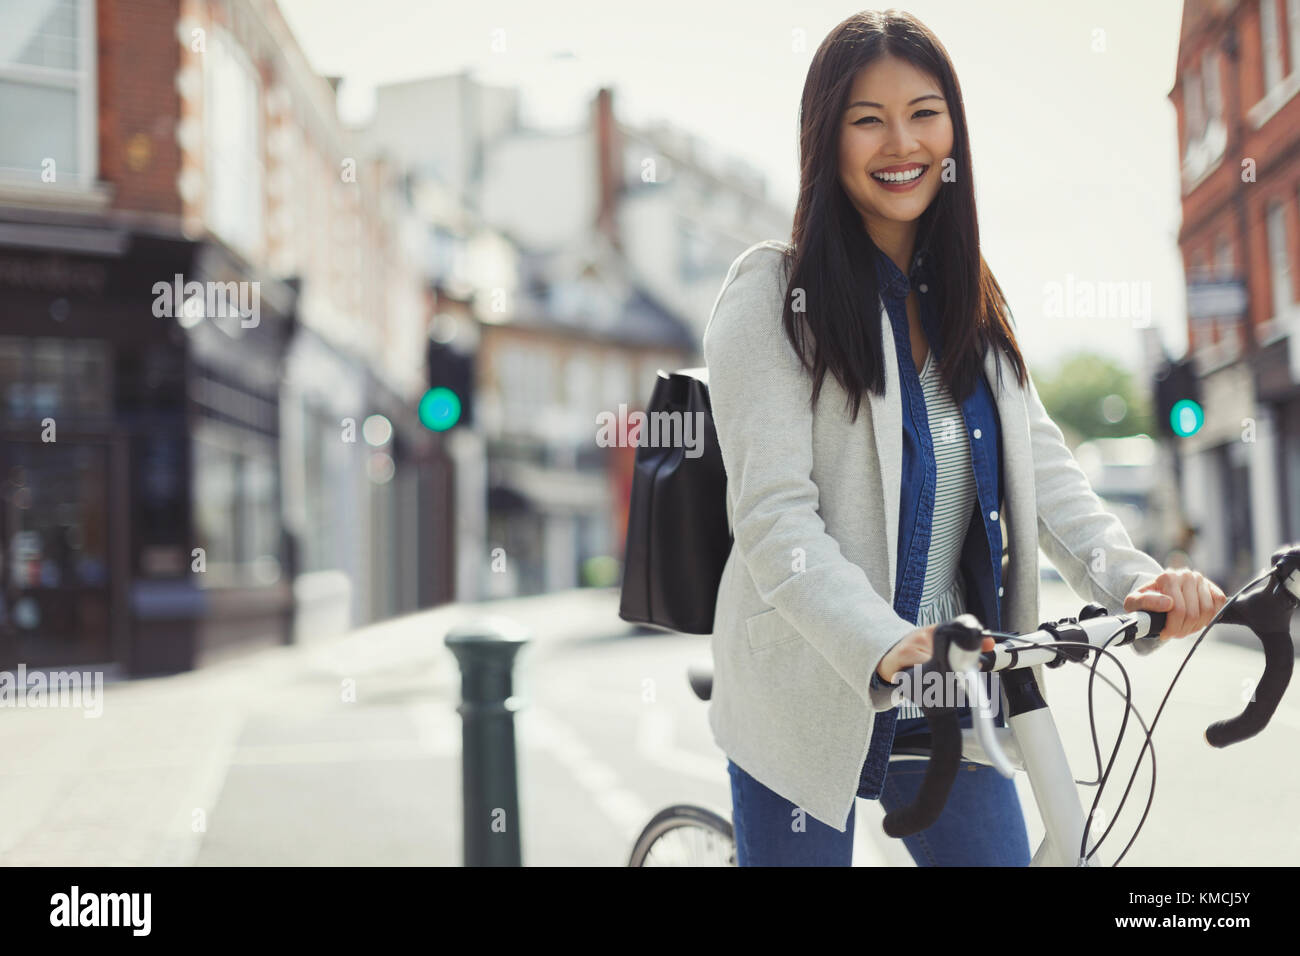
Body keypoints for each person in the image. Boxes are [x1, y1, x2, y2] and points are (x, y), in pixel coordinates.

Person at [702, 9, 1228, 867]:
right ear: (824, 139)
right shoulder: (773, 293)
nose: (900, 141)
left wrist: (1137, 579)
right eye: (866, 119)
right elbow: (773, 520)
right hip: (809, 682)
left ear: (954, 131)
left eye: (924, 112)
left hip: (956, 689)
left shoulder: (968, 299)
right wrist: (880, 641)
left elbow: (1043, 475)